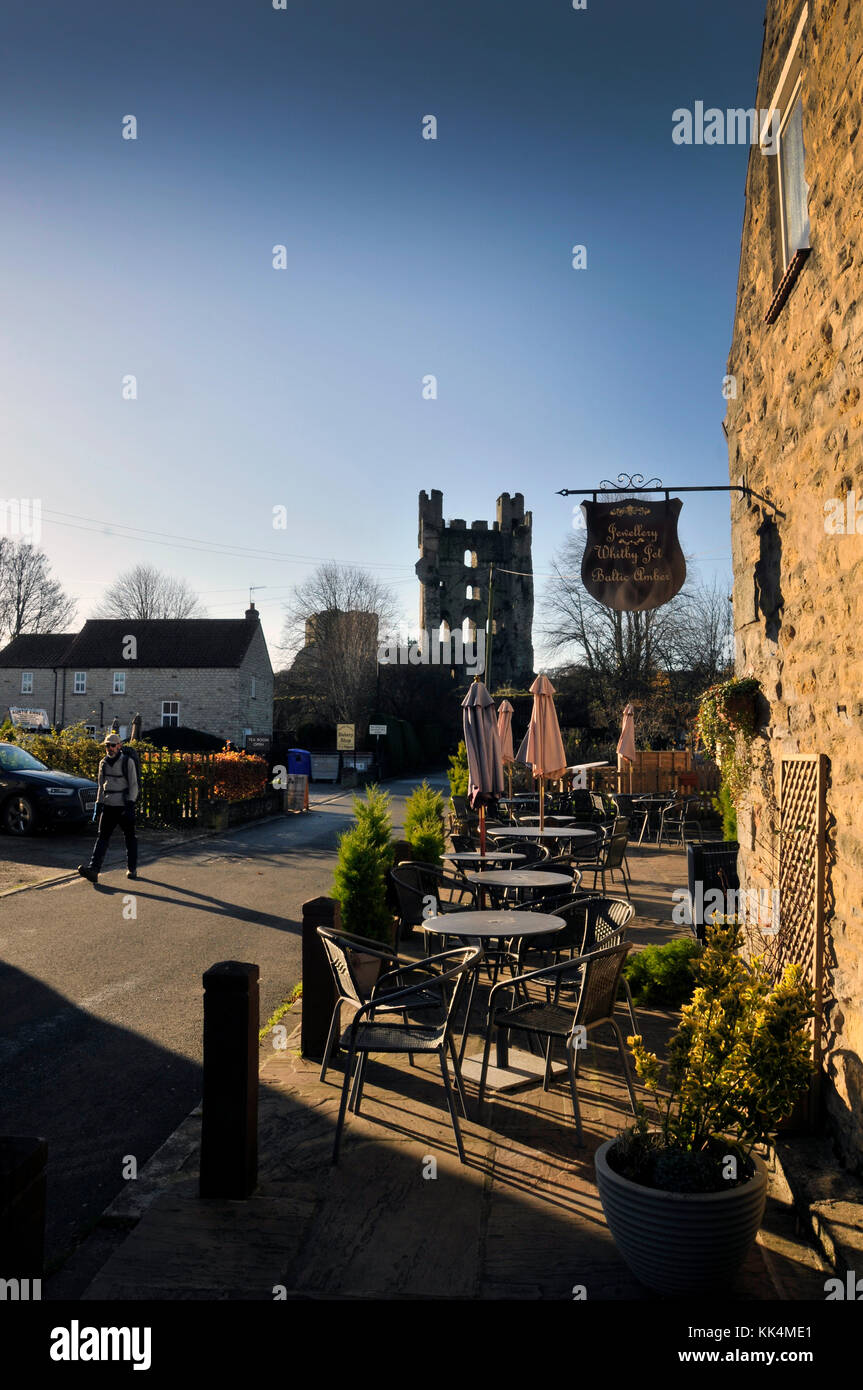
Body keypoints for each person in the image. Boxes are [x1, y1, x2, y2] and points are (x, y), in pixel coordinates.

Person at [78, 732, 139, 883]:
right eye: (107, 745)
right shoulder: (103, 763)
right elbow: (101, 786)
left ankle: (132, 868)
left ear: (119, 746)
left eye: (112, 745)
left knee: (130, 838)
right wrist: (98, 806)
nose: (109, 748)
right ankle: (94, 870)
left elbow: (134, 785)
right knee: (102, 838)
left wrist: (130, 805)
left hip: (124, 805)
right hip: (109, 805)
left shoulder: (127, 762)